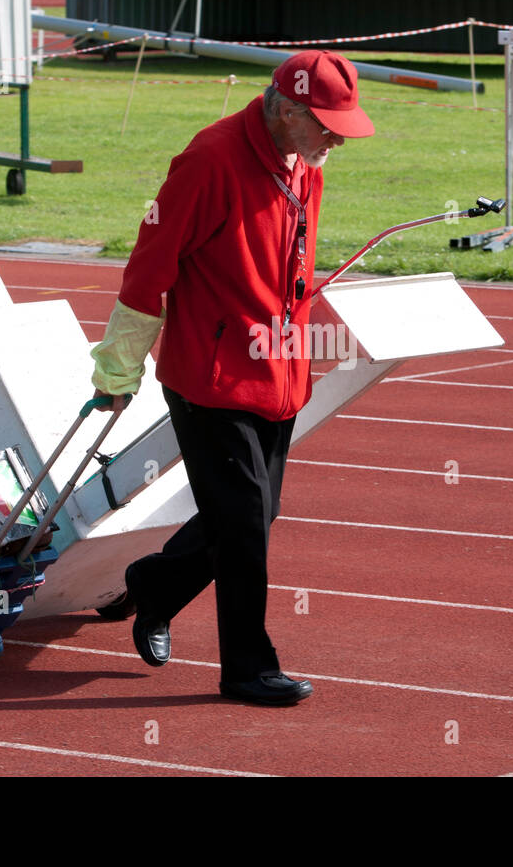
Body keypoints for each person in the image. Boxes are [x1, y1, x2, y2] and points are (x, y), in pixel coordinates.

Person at [89, 50, 374, 706]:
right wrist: (117, 366)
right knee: (243, 521)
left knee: (249, 514)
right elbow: (149, 267)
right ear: (287, 109)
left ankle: (154, 587)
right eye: (326, 125)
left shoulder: (305, 163)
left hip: (278, 371)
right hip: (210, 379)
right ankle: (247, 667)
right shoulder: (209, 161)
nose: (336, 139)